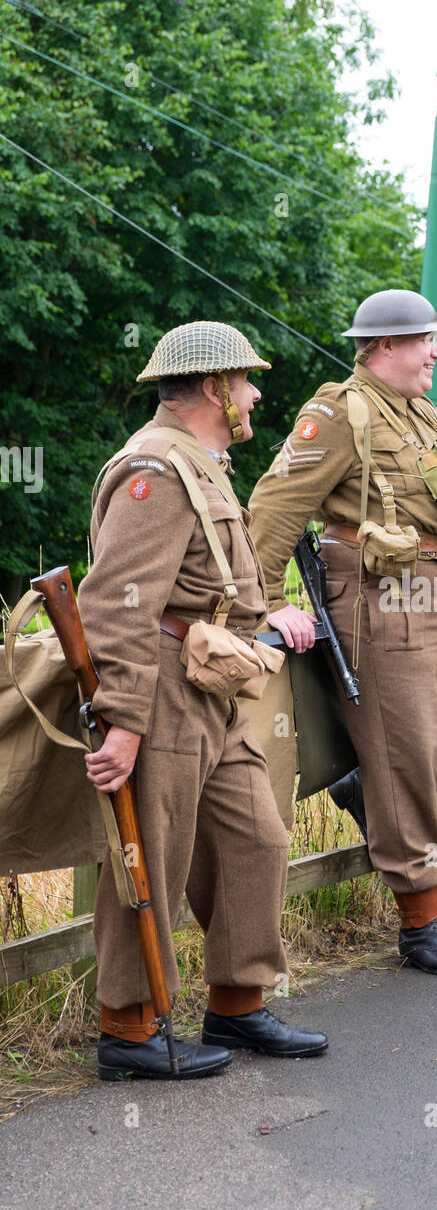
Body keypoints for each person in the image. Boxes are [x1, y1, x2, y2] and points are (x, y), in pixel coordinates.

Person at [249, 290, 437, 973]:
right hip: (385, 603)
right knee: (403, 764)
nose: (436, 351)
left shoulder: (421, 414)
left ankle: (368, 782)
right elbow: (273, 508)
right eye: (425, 340)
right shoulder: (337, 412)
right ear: (385, 347)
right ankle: (421, 925)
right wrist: (266, 603)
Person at [78, 321, 327, 1079]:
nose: (256, 394)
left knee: (258, 836)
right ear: (215, 388)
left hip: (212, 681)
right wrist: (122, 722)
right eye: (246, 381)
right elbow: (118, 605)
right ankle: (127, 1027)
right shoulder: (154, 469)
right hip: (160, 686)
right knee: (147, 855)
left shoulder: (201, 462)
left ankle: (238, 1004)